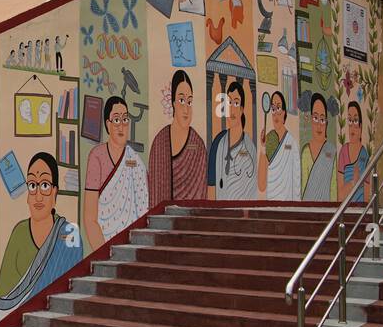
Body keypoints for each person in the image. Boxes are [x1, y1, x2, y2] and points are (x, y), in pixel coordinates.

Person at [0, 152, 82, 313]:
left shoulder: (70, 233)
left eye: (44, 186)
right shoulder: (20, 232)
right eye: (32, 185)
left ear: (55, 192)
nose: (37, 195)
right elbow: (4, 295)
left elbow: (74, 289)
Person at [83, 96, 149, 250]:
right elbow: (89, 218)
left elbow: (143, 211)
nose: (121, 126)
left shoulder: (135, 161)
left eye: (125, 120)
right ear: (108, 124)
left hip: (133, 246)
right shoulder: (96, 156)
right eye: (117, 120)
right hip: (103, 243)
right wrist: (104, 254)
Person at [148, 69, 208, 202]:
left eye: (190, 102)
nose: (186, 109)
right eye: (181, 100)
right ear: (173, 102)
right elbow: (154, 195)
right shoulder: (159, 142)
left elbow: (201, 198)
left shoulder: (197, 145)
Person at [206, 79, 256, 200]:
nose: (232, 109)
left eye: (236, 103)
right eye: (228, 103)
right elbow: (211, 187)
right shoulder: (217, 143)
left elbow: (253, 189)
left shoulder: (249, 147)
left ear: (242, 109)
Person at [257, 90, 300, 200]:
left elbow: (296, 181)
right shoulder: (270, 139)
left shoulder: (292, 142)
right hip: (271, 201)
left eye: (279, 108)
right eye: (273, 109)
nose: (275, 113)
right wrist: (263, 147)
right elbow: (261, 185)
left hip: (289, 205)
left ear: (285, 112)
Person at [301, 92, 338, 201]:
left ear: (326, 123)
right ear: (310, 119)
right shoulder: (306, 151)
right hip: (307, 209)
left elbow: (333, 187)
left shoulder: (331, 151)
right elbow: (304, 186)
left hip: (327, 210)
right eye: (315, 118)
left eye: (322, 120)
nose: (319, 125)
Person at [337, 101, 371, 203]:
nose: (352, 126)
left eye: (355, 120)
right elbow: (340, 195)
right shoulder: (343, 151)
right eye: (350, 120)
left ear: (360, 126)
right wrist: (353, 183)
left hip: (359, 212)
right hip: (344, 209)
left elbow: (366, 194)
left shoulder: (364, 155)